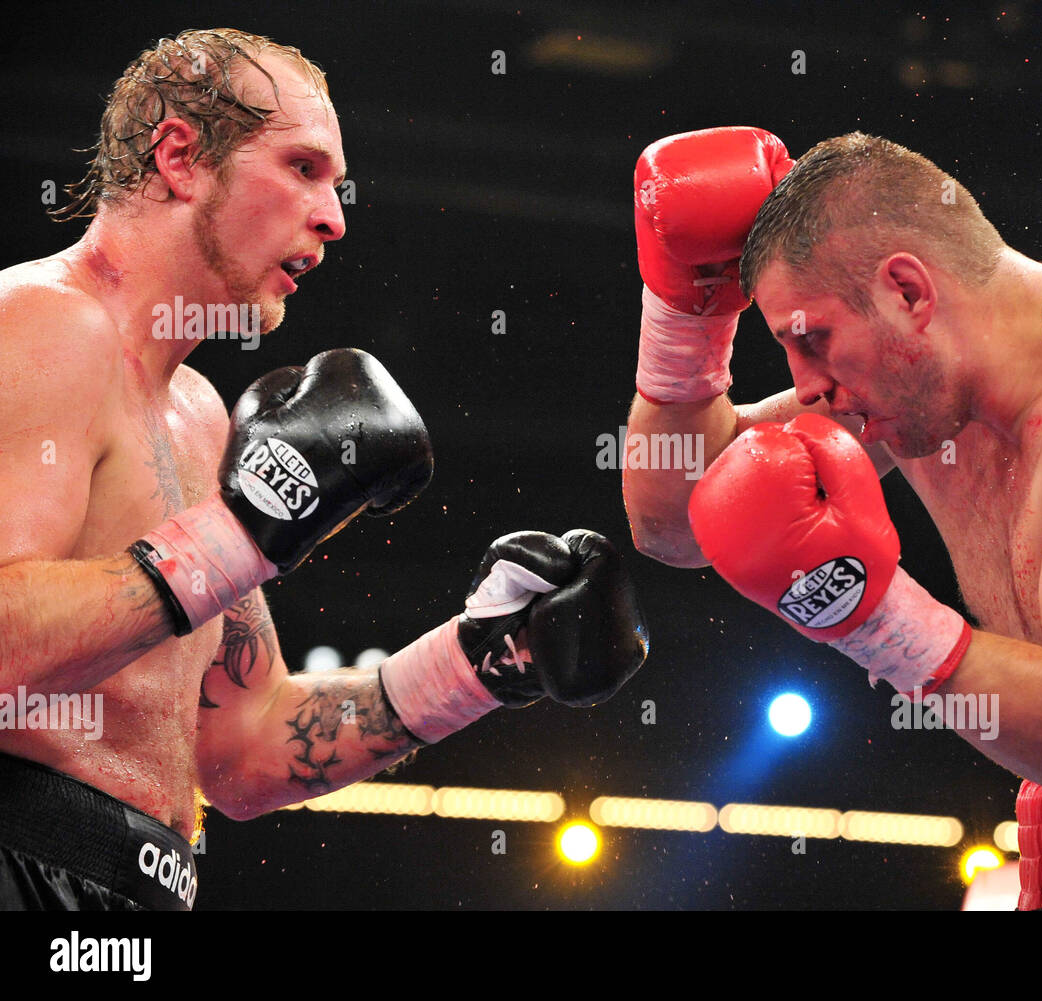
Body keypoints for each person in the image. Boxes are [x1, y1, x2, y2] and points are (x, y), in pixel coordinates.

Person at [0, 29, 646, 912]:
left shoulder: (196, 419)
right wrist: (237, 536)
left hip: (138, 894)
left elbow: (244, 752)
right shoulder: (42, 324)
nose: (335, 216)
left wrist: (485, 659)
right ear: (181, 155)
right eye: (303, 168)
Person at [624, 126, 1042, 910]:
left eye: (812, 341)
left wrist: (868, 613)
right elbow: (676, 518)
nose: (805, 387)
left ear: (908, 291)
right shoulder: (912, 397)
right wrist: (686, 317)